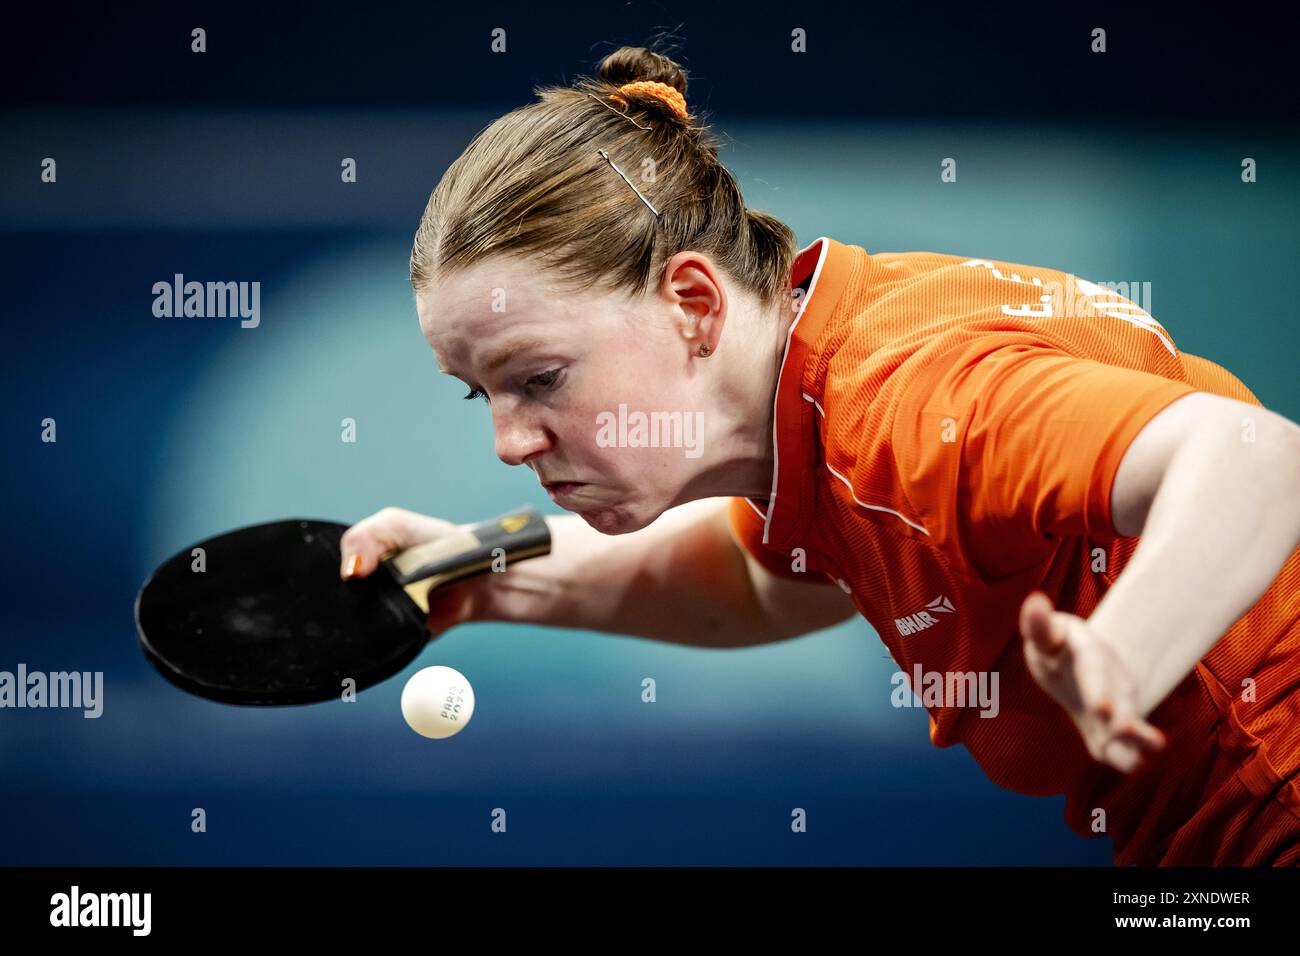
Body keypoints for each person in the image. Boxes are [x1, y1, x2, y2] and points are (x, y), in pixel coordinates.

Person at [340, 46, 1300, 865]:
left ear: (693, 305)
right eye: (484, 394)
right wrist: (482, 571)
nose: (509, 443)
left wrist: (1125, 656)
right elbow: (758, 583)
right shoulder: (818, 399)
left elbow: (1257, 458)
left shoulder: (908, 402)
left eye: (540, 377)